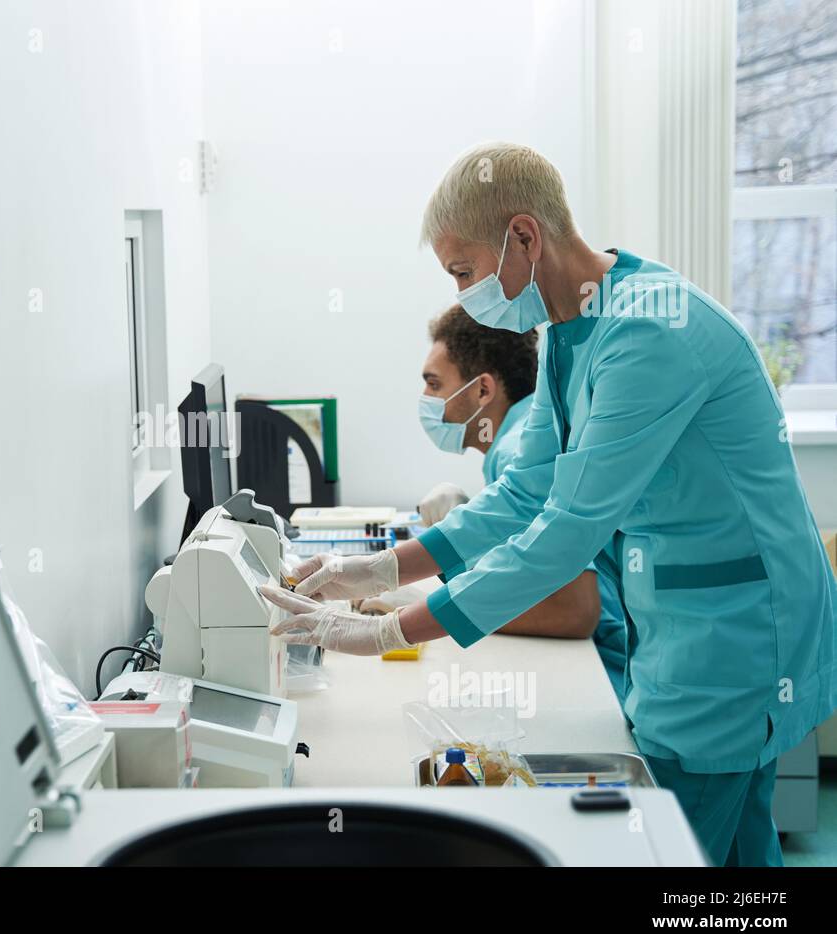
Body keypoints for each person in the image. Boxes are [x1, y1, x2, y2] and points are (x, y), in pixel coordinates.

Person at [261, 143, 837, 867]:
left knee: (677, 856)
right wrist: (378, 570)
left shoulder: (648, 332)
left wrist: (387, 632)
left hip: (738, 634)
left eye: (464, 272)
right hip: (691, 620)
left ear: (525, 237)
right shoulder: (576, 330)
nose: (465, 293)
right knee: (738, 855)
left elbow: (566, 532)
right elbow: (526, 495)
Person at [364, 304, 628, 701]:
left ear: (483, 390)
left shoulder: (517, 448)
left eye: (434, 384)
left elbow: (575, 611)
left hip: (606, 677)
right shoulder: (518, 438)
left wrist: (433, 606)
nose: (426, 398)